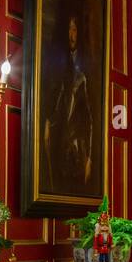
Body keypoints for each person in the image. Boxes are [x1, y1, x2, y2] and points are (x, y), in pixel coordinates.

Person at [44, 13, 96, 196]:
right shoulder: (58, 64)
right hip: (59, 137)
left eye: (74, 29)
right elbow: (55, 98)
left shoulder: (86, 69)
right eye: (68, 29)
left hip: (76, 144)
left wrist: (89, 156)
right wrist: (48, 122)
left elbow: (89, 116)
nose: (71, 34)